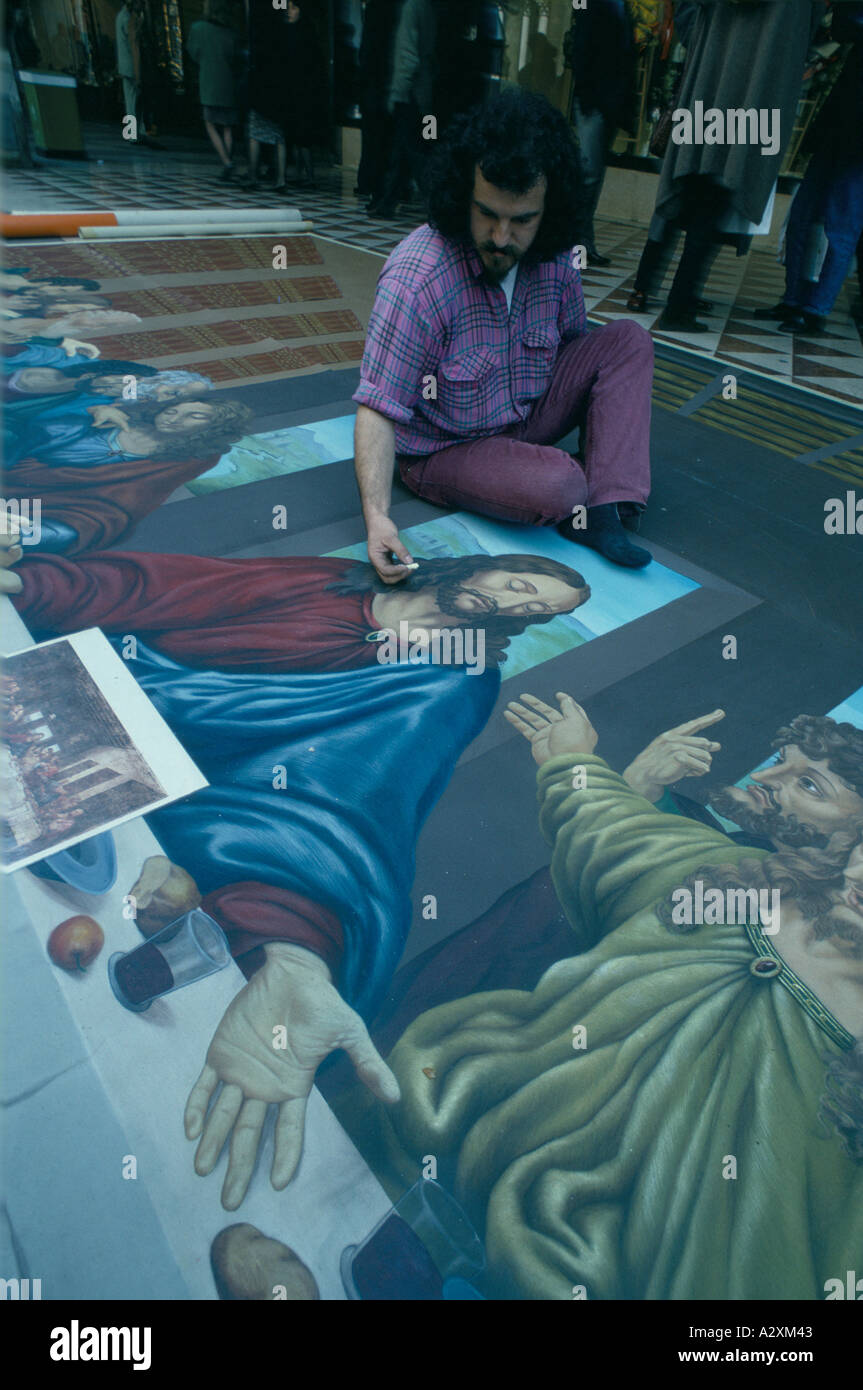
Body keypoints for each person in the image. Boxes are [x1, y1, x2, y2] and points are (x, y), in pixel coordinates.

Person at [364, 690, 863, 1300]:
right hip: (447, 1147)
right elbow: (618, 833)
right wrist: (576, 760)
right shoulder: (741, 877)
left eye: (811, 785)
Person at [354, 86, 654, 574]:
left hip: (524, 414)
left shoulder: (556, 258)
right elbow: (377, 408)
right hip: (444, 449)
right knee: (559, 486)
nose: (500, 237)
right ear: (461, 194)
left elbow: (578, 356)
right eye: (487, 213)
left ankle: (604, 508)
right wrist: (377, 519)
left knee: (628, 340)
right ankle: (581, 491)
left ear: (549, 210)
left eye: (522, 221)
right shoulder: (419, 280)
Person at [627, 0, 821, 332]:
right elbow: (806, 28)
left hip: (711, 80)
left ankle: (676, 299)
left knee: (700, 188)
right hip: (753, 88)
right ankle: (679, 304)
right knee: (716, 192)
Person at [754, 2, 863, 335]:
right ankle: (795, 300)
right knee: (805, 216)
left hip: (854, 135)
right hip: (842, 121)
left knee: (839, 223)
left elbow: (849, 24)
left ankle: (815, 308)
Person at [566, 0, 637, 267]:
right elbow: (583, 44)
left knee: (592, 176)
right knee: (588, 175)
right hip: (595, 99)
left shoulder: (619, 5)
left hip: (608, 101)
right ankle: (576, 244)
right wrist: (586, 93)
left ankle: (583, 243)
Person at [368, 0, 436, 218]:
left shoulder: (411, 8)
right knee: (416, 148)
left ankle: (427, 203)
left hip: (410, 95)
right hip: (428, 93)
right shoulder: (429, 7)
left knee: (411, 150)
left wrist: (397, 92)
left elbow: (407, 55)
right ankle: (389, 200)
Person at [186, 0, 241, 181]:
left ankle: (226, 162)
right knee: (227, 127)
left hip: (209, 82)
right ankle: (229, 159)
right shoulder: (231, 33)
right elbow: (235, 57)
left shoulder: (199, 29)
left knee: (210, 123)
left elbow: (193, 53)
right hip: (228, 83)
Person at [242, 0, 291, 191]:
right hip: (279, 81)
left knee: (255, 132)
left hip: (260, 79)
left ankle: (253, 175)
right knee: (279, 135)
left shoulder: (257, 11)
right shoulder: (278, 10)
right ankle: (281, 179)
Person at [283, 2, 327, 189]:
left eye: (293, 8)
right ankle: (303, 173)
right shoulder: (303, 33)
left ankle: (308, 175)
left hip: (303, 92)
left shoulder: (301, 35)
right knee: (298, 135)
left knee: (302, 136)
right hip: (299, 91)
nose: (288, 11)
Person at [115, 0, 141, 134]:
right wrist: (137, 72)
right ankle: (134, 133)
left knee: (130, 101)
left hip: (125, 66)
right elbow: (134, 45)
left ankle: (133, 132)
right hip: (131, 66)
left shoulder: (120, 16)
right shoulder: (128, 19)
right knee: (133, 101)